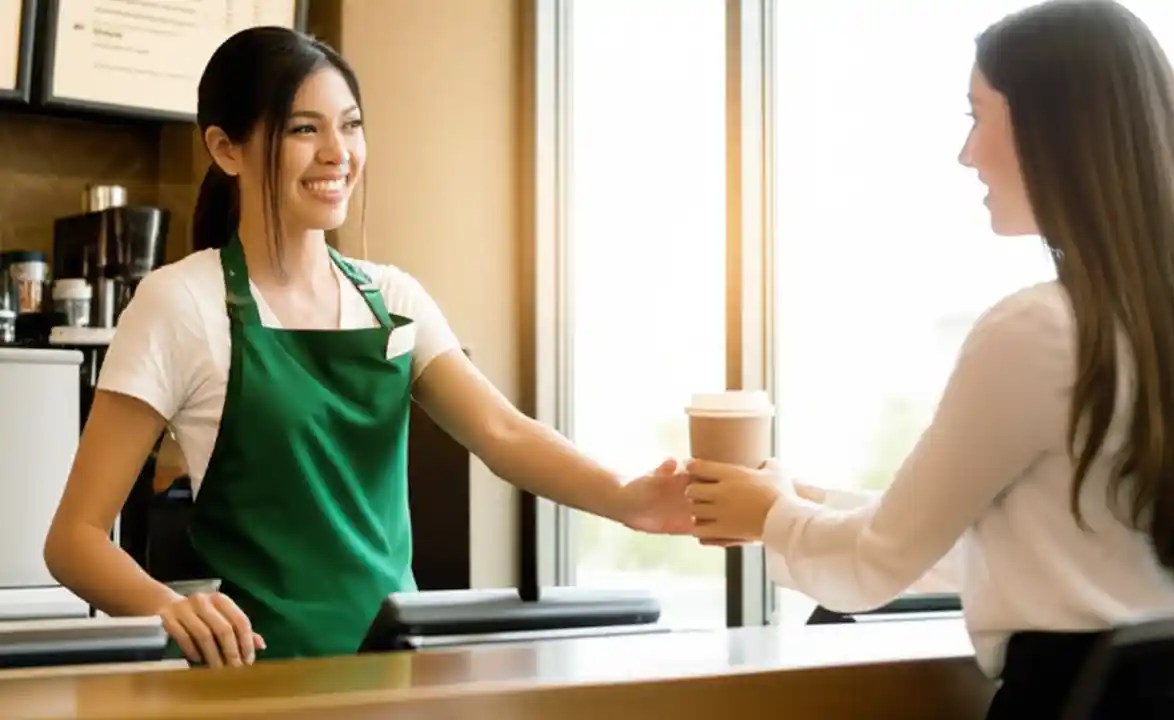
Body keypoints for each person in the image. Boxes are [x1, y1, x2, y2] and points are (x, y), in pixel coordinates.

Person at [684, 1, 1174, 717]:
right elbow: (990, 539)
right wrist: (791, 505)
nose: (966, 153)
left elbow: (874, 565)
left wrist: (771, 517)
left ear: (1053, 131)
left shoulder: (1039, 329)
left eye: (976, 114)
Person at [43, 26, 693, 667]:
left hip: (393, 676)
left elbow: (504, 433)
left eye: (350, 125)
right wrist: (167, 607)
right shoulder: (179, 303)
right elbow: (73, 540)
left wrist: (626, 498)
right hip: (247, 686)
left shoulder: (395, 298)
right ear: (226, 148)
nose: (338, 152)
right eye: (304, 129)